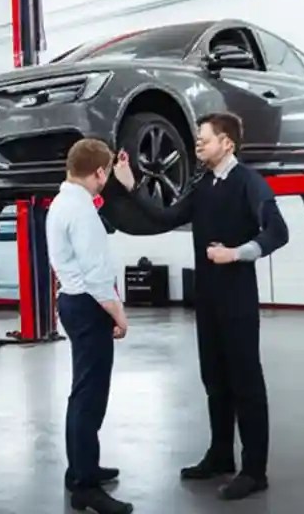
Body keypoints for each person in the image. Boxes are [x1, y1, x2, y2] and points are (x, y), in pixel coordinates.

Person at [113, 112, 288, 502]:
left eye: (203, 140)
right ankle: (221, 454)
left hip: (238, 298)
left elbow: (278, 232)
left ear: (227, 143)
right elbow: (166, 216)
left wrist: (237, 253)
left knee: (246, 384)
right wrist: (133, 185)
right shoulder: (204, 185)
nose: (197, 145)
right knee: (215, 380)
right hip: (206, 299)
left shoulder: (249, 183)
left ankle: (254, 471)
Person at [47, 137, 134, 514]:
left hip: (72, 301)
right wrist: (118, 314)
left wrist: (124, 184)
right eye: (106, 175)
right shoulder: (81, 211)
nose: (105, 181)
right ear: (99, 172)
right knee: (90, 396)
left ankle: (81, 469)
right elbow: (96, 274)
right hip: (88, 304)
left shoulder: (62, 202)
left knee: (82, 391)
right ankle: (85, 486)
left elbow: (105, 208)